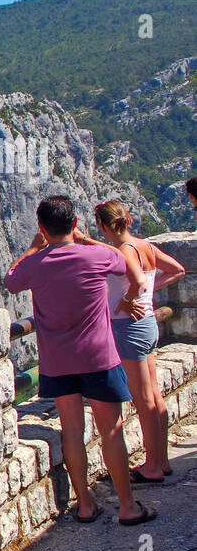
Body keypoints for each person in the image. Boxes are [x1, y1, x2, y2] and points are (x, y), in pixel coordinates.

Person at [3, 195, 156, 525]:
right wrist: (85, 239)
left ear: (42, 228)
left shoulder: (35, 264)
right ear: (74, 223)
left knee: (72, 431)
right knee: (111, 430)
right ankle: (128, 508)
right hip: (99, 357)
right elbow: (126, 264)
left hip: (57, 363)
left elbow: (11, 279)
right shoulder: (96, 255)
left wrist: (32, 249)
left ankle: (85, 504)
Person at [80, 201, 186, 482]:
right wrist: (148, 292)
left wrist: (129, 299)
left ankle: (152, 467)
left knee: (143, 400)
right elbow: (177, 269)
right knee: (154, 396)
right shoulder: (144, 246)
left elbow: (136, 281)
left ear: (104, 226)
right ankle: (161, 462)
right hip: (148, 323)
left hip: (129, 328)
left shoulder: (124, 251)